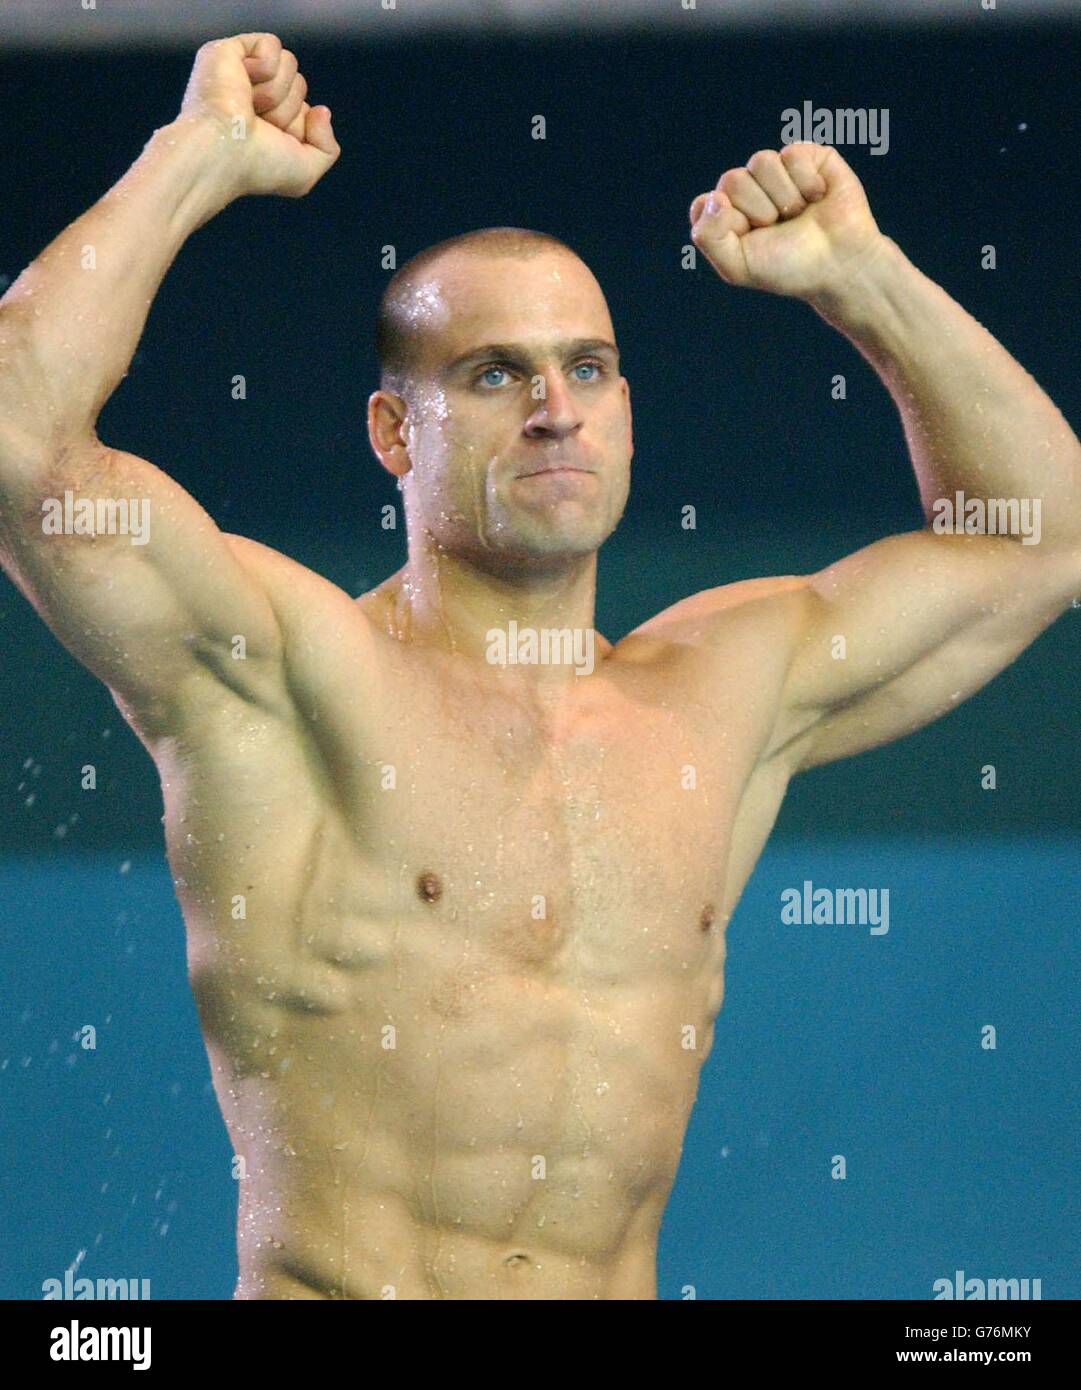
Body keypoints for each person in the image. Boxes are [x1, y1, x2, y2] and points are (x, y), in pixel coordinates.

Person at [1, 33, 1077, 1301]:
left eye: (590, 368)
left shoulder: (724, 692)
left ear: (625, 412)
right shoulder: (284, 669)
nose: (556, 408)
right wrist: (192, 160)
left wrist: (864, 277)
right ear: (395, 431)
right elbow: (22, 438)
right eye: (497, 373)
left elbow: (1042, 535)